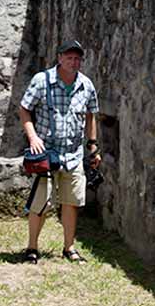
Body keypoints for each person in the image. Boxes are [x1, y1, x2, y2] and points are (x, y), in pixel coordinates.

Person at [19, 39, 101, 264]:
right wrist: (33, 137)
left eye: (77, 58)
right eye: (69, 57)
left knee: (71, 202)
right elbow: (24, 110)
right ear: (60, 58)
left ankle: (69, 248)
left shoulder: (86, 85)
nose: (73, 62)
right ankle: (32, 247)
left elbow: (91, 115)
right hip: (48, 153)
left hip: (73, 154)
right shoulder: (42, 81)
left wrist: (92, 146)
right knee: (40, 202)